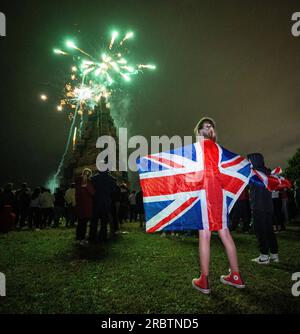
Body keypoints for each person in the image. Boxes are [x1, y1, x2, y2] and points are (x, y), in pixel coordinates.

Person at [192, 117, 245, 295]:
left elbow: (194, 175)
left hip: (204, 193)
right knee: (225, 233)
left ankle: (204, 280)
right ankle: (236, 276)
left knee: (204, 235)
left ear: (199, 131)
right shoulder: (219, 149)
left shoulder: (196, 148)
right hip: (219, 194)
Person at [247, 153, 279, 264]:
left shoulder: (254, 174)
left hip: (258, 206)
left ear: (255, 161)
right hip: (268, 206)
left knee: (261, 231)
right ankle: (274, 255)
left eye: (250, 161)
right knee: (269, 231)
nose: (249, 163)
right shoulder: (267, 173)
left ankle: (264, 256)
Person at [89, 170, 118, 243]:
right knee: (104, 221)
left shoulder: (93, 178)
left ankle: (92, 237)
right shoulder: (111, 179)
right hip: (106, 202)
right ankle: (103, 236)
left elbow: (90, 190)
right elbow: (114, 190)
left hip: (96, 201)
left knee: (94, 221)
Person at [75, 168, 95, 245]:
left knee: (83, 222)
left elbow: (92, 193)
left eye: (88, 174)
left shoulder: (89, 182)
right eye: (85, 173)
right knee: (81, 222)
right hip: (81, 205)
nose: (86, 175)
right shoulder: (78, 181)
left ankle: (81, 238)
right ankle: (79, 238)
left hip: (87, 206)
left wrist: (86, 185)